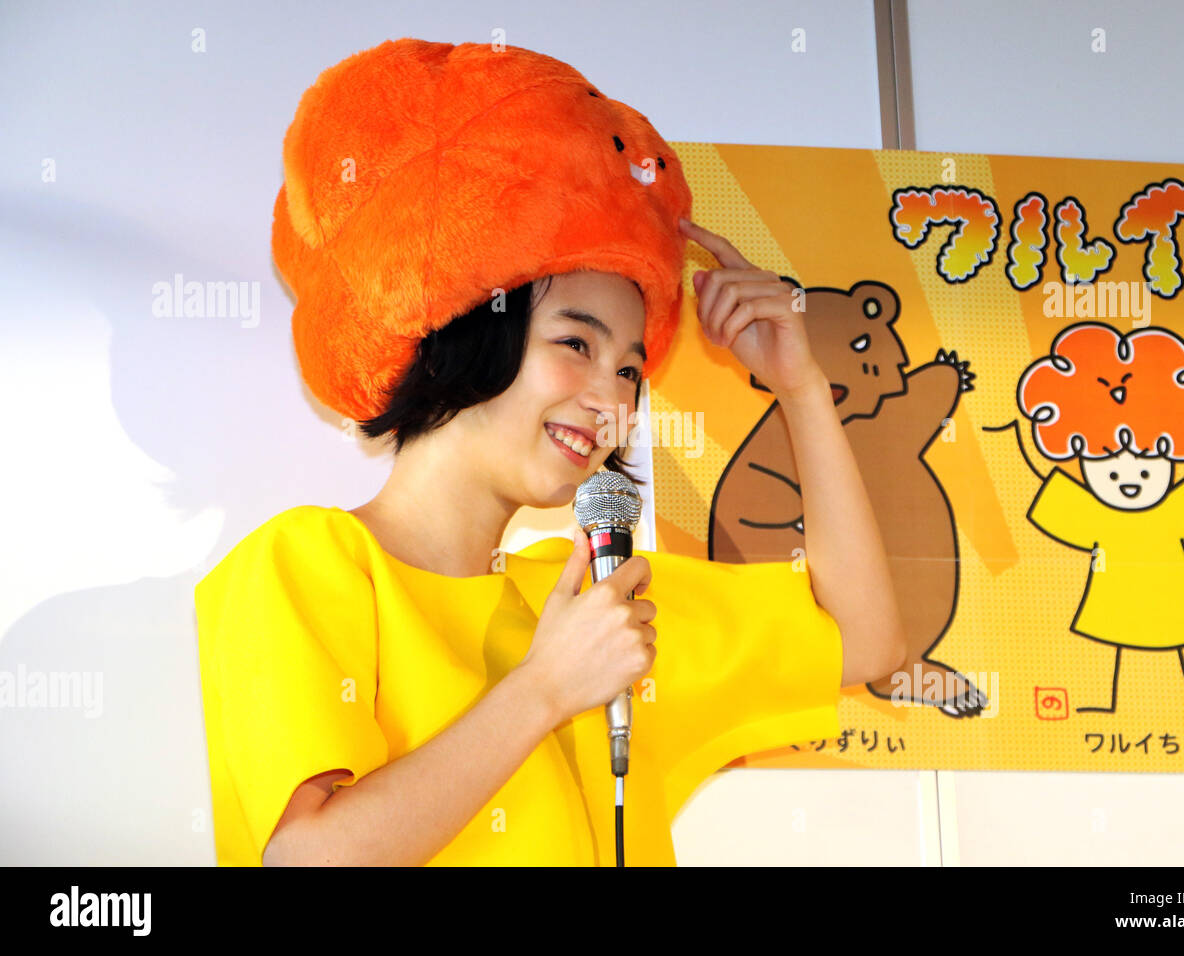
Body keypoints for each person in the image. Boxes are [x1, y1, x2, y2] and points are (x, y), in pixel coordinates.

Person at [194, 38, 905, 866]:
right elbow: (309, 858)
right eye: (576, 344)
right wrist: (543, 690)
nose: (612, 400)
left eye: (632, 370)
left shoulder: (602, 606)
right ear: (466, 327)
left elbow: (866, 639)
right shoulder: (306, 564)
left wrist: (802, 388)